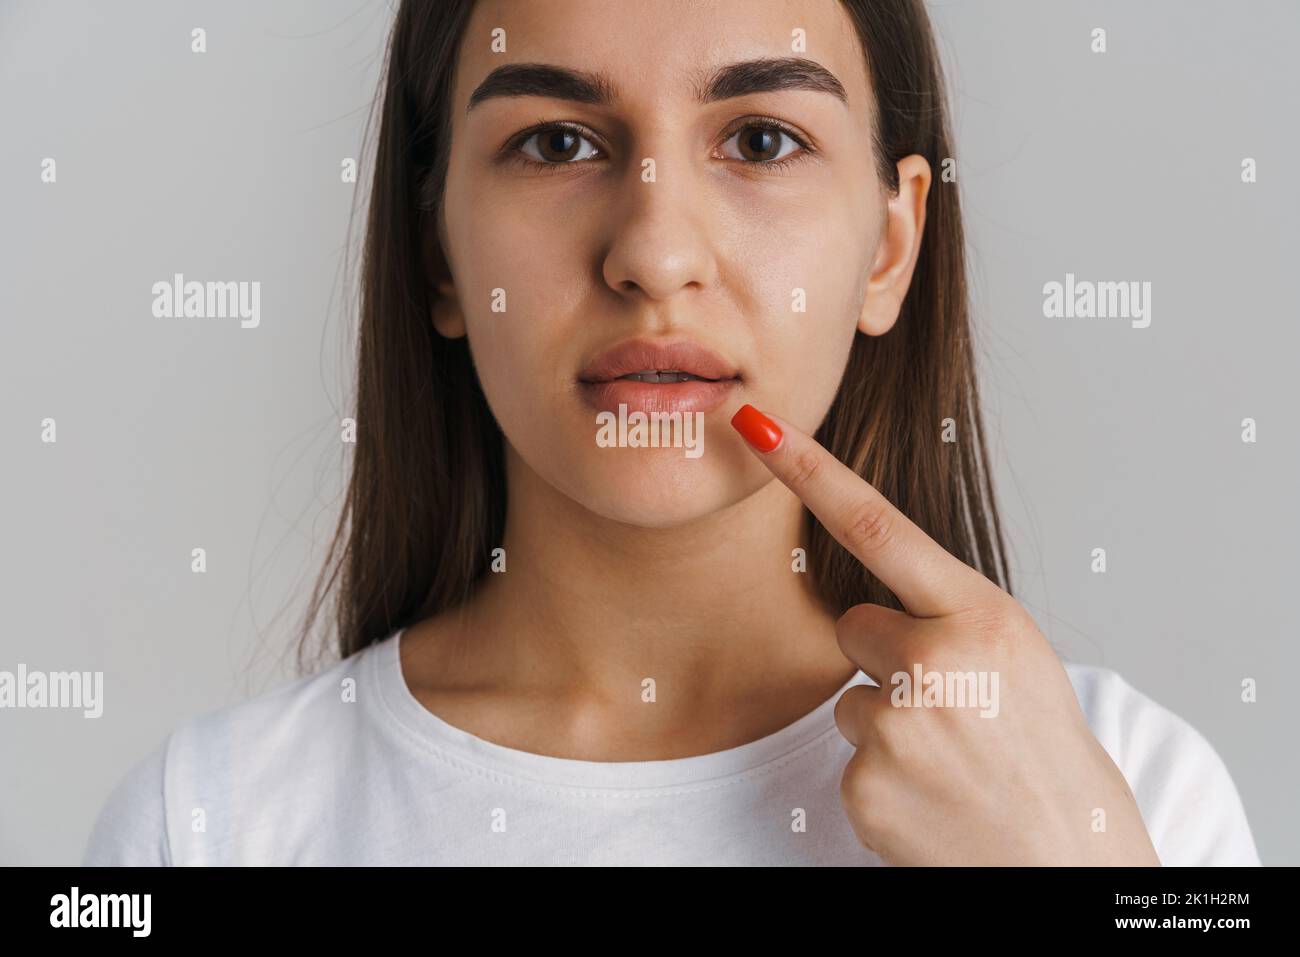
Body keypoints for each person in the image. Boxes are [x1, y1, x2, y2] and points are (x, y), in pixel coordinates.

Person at [83, 0, 1259, 866]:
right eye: (556, 143)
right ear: (437, 250)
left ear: (889, 248)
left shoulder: (1126, 792)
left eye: (759, 141)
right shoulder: (207, 825)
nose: (653, 254)